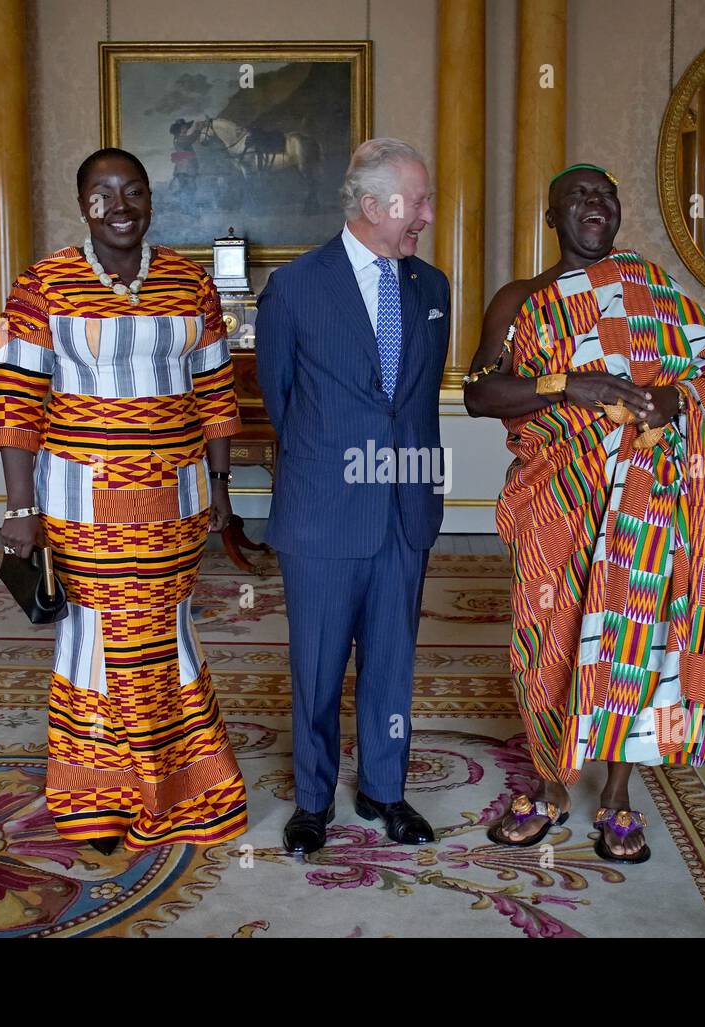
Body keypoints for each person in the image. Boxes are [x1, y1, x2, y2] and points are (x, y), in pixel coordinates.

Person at [463, 164, 705, 863]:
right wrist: (569, 385)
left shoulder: (656, 291)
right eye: (577, 197)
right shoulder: (520, 298)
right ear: (553, 218)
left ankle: (618, 793)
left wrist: (677, 402)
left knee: (637, 638)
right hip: (559, 499)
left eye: (605, 195)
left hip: (650, 499)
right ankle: (550, 782)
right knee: (546, 635)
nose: (595, 204)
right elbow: (479, 393)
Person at [0, 147, 247, 854]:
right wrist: (20, 509)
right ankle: (97, 799)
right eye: (104, 194)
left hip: (177, 505)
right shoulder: (44, 284)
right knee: (97, 638)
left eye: (133, 191)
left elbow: (217, 394)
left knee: (166, 630)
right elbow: (17, 403)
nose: (121, 206)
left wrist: (223, 486)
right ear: (83, 205)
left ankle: (182, 786)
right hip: (80, 505)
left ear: (150, 199)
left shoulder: (190, 284)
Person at [256, 138, 449, 854]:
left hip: (405, 508)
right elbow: (279, 396)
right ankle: (312, 801)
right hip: (323, 511)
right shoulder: (297, 286)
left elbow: (416, 401)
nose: (427, 214)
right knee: (317, 665)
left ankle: (385, 790)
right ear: (373, 206)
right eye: (417, 201)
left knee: (392, 663)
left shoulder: (434, 289)